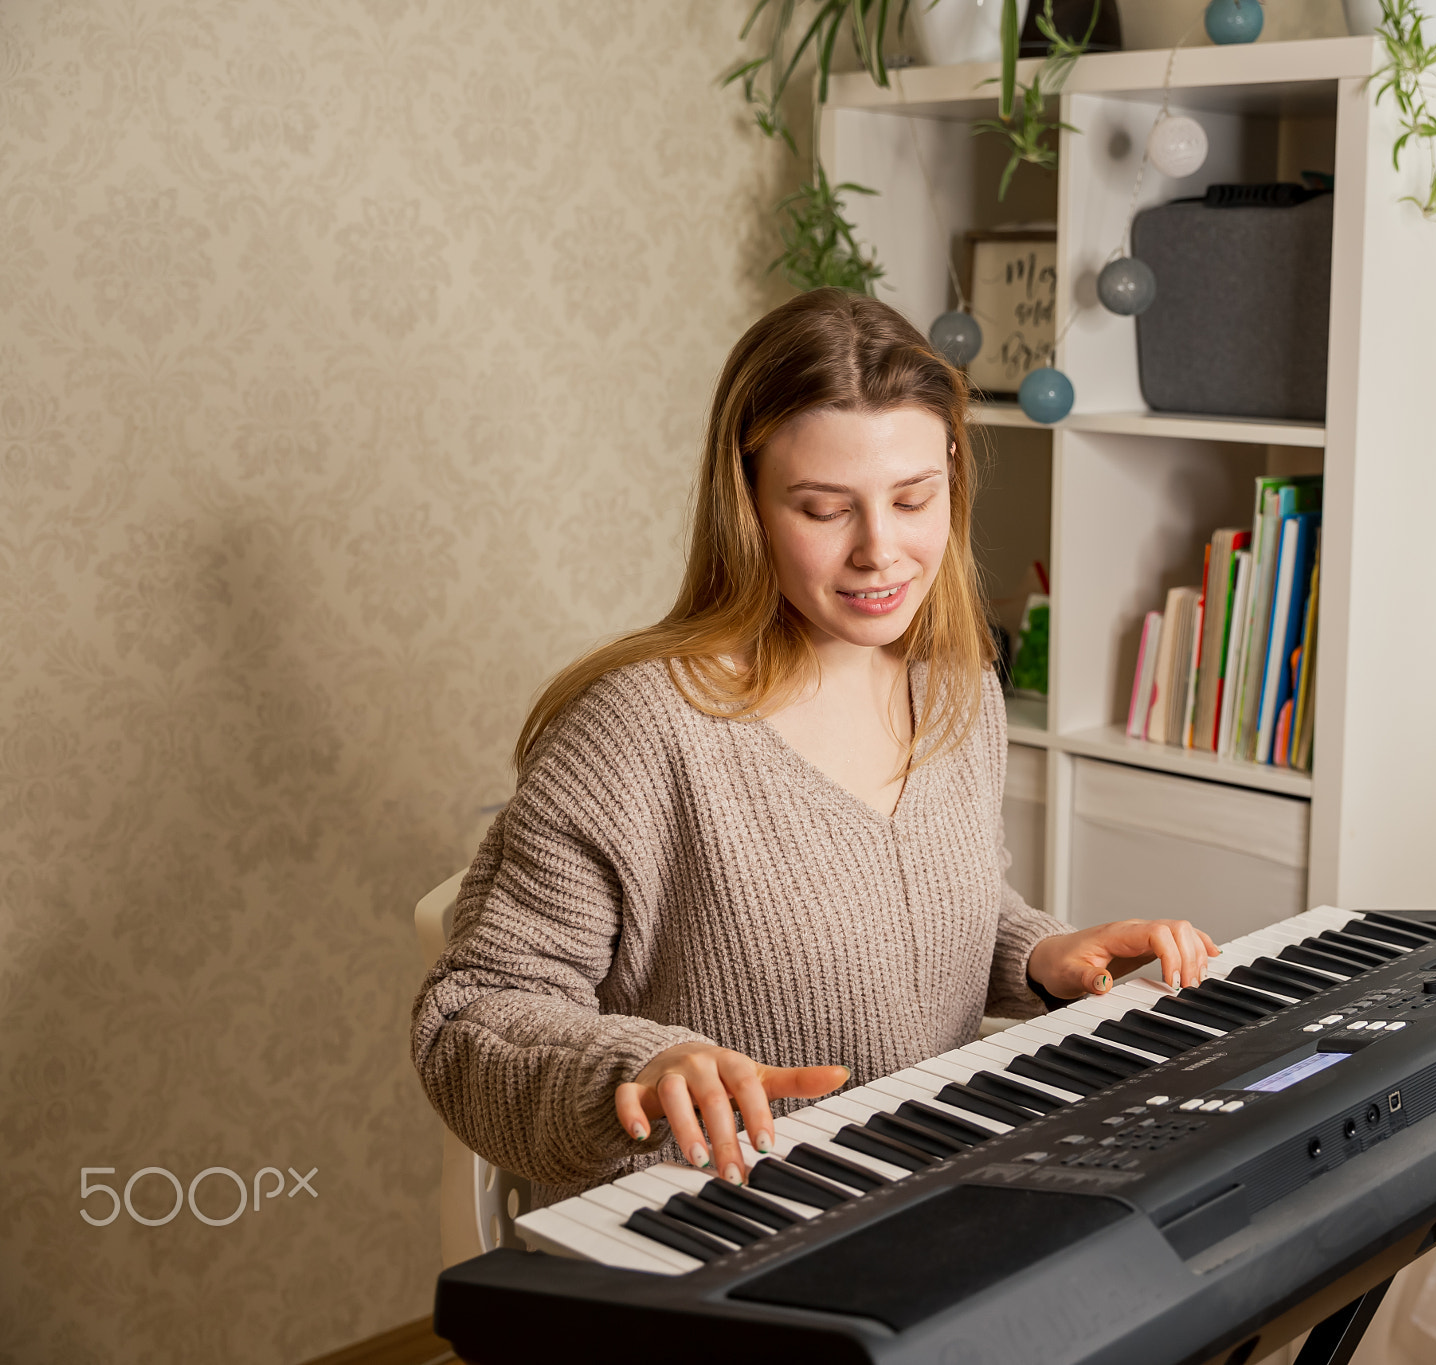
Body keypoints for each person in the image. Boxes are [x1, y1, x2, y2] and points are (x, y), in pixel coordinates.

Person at [411, 289, 1220, 1206]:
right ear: (747, 502)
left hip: (924, 1198)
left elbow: (911, 906)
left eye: (912, 498)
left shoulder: (957, 687)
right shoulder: (638, 729)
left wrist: (1042, 954)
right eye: (826, 509)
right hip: (713, 1225)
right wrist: (643, 1065)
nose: (881, 550)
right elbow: (469, 1019)